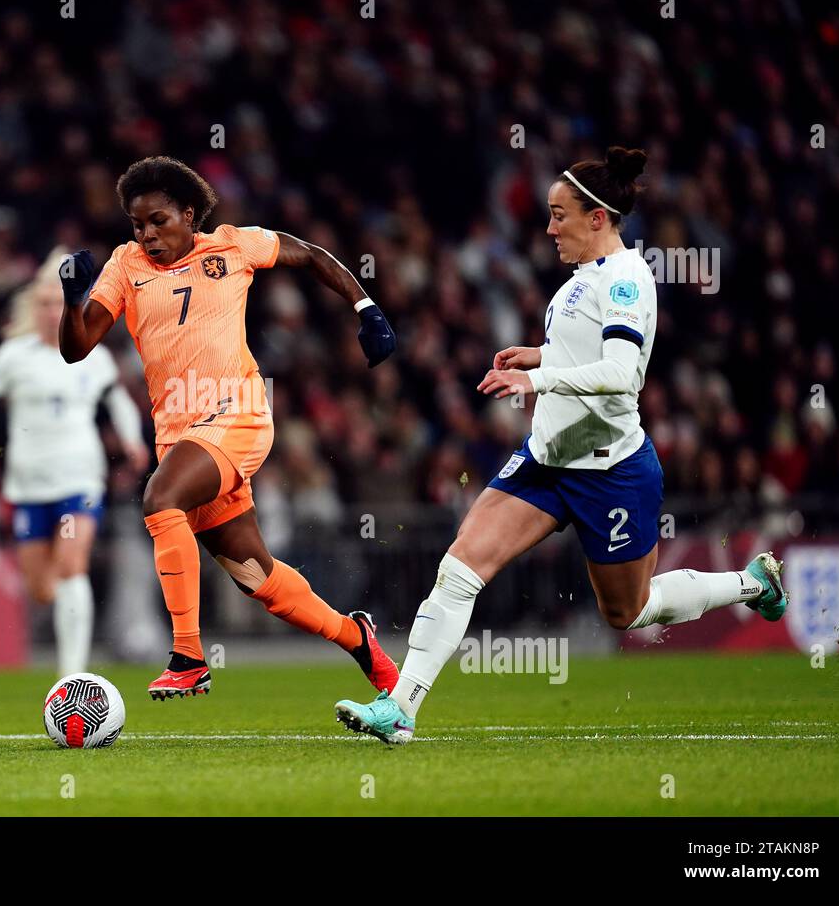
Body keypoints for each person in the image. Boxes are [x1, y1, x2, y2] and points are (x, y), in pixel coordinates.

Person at [334, 147, 788, 744]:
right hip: (546, 460)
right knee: (458, 568)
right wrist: (539, 354)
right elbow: (584, 354)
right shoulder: (582, 281)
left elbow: (623, 372)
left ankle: (752, 585)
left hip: (611, 472)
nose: (549, 228)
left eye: (560, 215)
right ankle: (401, 710)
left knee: (629, 610)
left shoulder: (627, 278)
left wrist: (536, 379)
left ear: (598, 217)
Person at [58, 155, 400, 700]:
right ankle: (359, 639)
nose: (147, 234)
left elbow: (308, 255)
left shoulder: (234, 245)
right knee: (256, 577)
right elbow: (76, 349)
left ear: (190, 215)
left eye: (159, 221)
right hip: (182, 436)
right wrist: (73, 302)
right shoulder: (125, 266)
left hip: (238, 414)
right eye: (138, 224)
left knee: (159, 497)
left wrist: (366, 305)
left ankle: (188, 656)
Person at [0, 249, 148, 675]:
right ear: (33, 308)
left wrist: (133, 440)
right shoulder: (13, 356)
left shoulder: (91, 356)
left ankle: (72, 676)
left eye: (57, 303)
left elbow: (117, 398)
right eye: (43, 304)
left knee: (71, 567)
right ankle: (71, 639)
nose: (49, 311)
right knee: (42, 589)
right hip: (28, 485)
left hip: (79, 478)